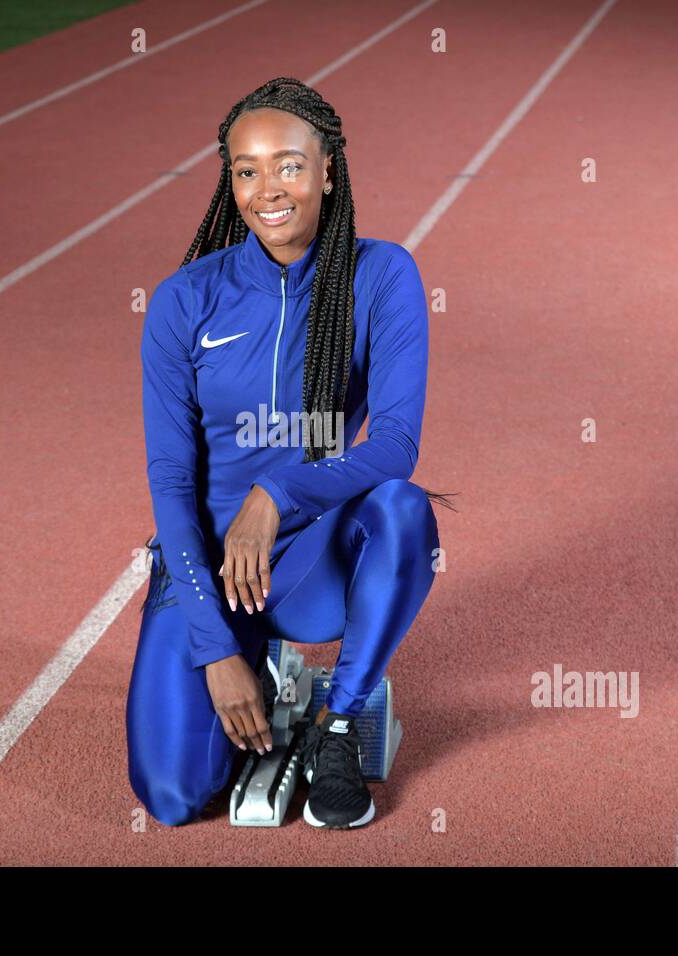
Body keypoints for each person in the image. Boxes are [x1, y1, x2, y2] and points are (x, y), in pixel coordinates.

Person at [127, 77, 456, 829]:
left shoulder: (382, 276)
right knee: (173, 795)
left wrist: (277, 493)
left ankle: (336, 724)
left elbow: (396, 446)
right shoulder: (185, 299)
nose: (267, 189)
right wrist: (215, 649)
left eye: (288, 165)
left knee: (402, 511)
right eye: (246, 170)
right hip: (211, 568)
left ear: (328, 170)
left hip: (313, 557)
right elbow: (171, 479)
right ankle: (252, 661)